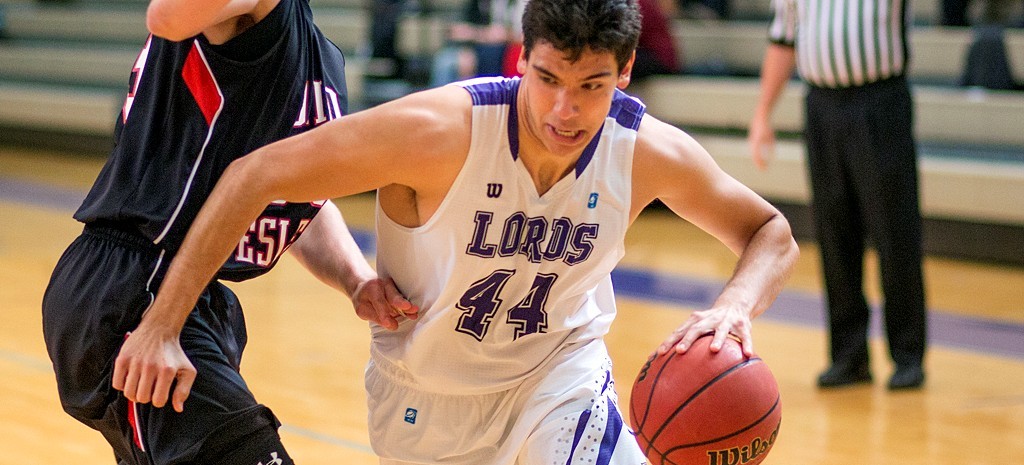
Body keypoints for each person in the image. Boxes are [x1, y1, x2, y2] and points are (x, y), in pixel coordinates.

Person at [125, 0, 799, 463]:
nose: (565, 110)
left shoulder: (645, 150)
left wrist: (733, 308)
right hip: (424, 401)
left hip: (557, 378)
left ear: (624, 73)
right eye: (547, 79)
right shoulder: (437, 132)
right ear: (520, 59)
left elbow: (770, 231)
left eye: (592, 86)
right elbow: (253, 175)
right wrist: (161, 324)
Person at [41, 1, 415, 464]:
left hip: (187, 297)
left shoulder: (320, 56)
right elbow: (168, 15)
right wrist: (161, 324)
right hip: (139, 289)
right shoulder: (261, 18)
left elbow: (293, 197)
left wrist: (355, 279)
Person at [747, 0, 928, 390]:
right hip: (821, 106)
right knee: (833, 232)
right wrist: (763, 113)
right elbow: (783, 40)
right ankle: (849, 355)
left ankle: (908, 354)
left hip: (880, 102)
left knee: (894, 231)